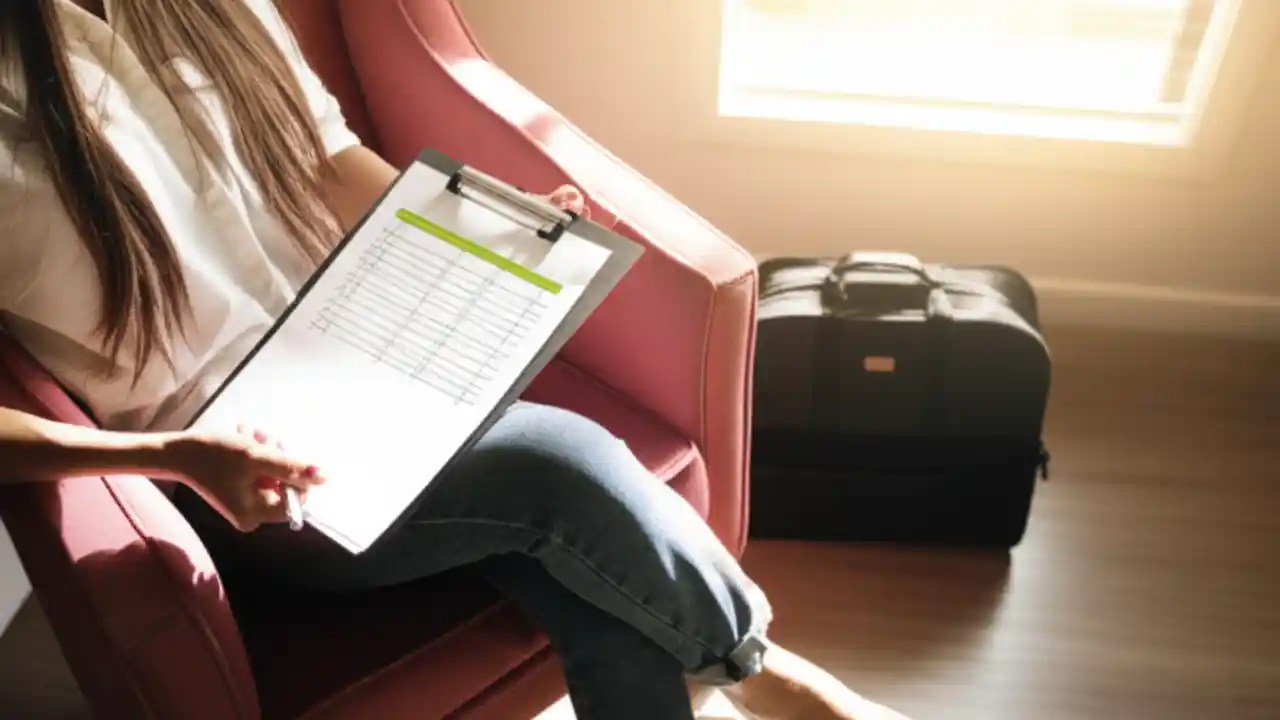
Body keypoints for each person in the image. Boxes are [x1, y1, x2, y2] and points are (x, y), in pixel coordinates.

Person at [0, 2, 907, 718]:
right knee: (564, 467)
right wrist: (170, 460)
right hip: (239, 474)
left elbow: (322, 155)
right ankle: (770, 678)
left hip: (371, 358)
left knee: (585, 578)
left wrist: (482, 223)